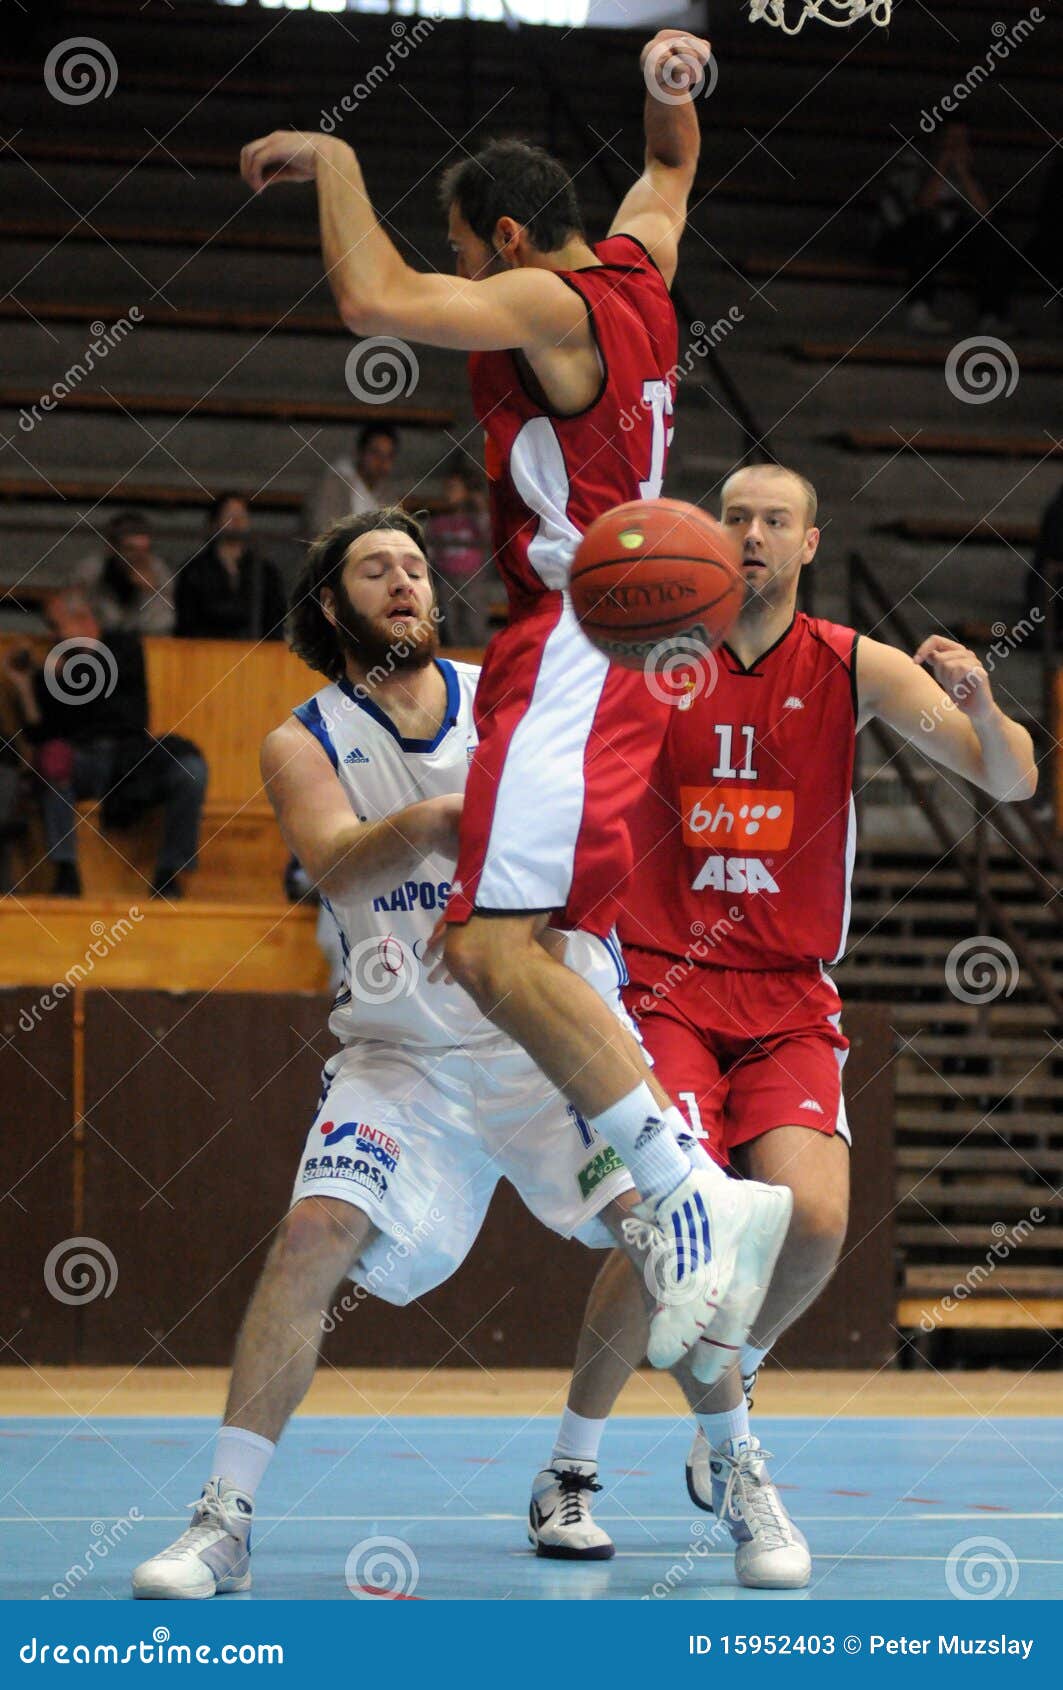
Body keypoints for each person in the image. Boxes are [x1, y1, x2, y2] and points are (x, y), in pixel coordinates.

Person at [240, 28, 792, 1379]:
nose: (463, 281)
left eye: (465, 254)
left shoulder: (551, 302)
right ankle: (680, 1186)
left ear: (502, 239)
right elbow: (671, 169)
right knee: (512, 948)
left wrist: (336, 157)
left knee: (491, 956)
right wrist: (669, 85)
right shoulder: (639, 264)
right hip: (628, 654)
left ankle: (687, 1190)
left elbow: (371, 297)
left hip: (573, 643)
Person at [527, 462, 1037, 1586]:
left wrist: (983, 708)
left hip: (788, 993)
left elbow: (1011, 781)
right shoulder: (655, 654)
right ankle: (577, 1464)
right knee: (671, 1230)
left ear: (809, 542)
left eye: (774, 519)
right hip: (662, 985)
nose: (751, 533)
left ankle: (735, 1364)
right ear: (711, 536)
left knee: (813, 1221)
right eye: (735, 517)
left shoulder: (851, 664)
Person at [130, 508, 650, 1600]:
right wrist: (443, 819)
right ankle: (223, 1520)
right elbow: (335, 863)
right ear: (332, 602)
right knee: (311, 1232)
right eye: (376, 569)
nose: (407, 582)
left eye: (416, 566)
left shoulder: (501, 697)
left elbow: (593, 828)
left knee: (663, 1234)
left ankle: (581, 1472)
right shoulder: (302, 738)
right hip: (403, 1054)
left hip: (540, 1034)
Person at [3, 591, 207, 899]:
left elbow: (100, 686)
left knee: (190, 769)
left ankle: (170, 874)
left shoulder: (122, 647)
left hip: (131, 759)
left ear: (83, 619)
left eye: (58, 625)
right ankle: (66, 873)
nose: (54, 634)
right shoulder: (53, 667)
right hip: (82, 760)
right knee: (53, 757)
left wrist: (52, 669)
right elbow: (39, 733)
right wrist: (23, 687)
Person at [873, 125, 1014, 334]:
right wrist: (941, 164)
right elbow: (921, 206)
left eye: (962, 140)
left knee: (991, 236)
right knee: (925, 226)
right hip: (900, 239)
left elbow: (986, 214)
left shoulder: (967, 171)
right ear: (937, 140)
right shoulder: (911, 163)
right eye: (951, 140)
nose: (957, 146)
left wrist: (963, 174)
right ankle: (918, 310)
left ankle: (990, 316)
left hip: (942, 247)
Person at [175, 494, 287, 641]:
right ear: (215, 523)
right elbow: (187, 623)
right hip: (206, 649)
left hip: (255, 650)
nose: (237, 522)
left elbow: (275, 621)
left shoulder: (266, 571)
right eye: (229, 516)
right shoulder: (194, 570)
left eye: (242, 516)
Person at [71, 510, 175, 635]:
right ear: (111, 548)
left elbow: (162, 626)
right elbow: (75, 614)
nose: (139, 557)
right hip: (100, 640)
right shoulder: (91, 570)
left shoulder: (158, 571)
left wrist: (150, 592)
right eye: (131, 549)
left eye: (145, 550)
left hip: (146, 640)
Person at [425, 464, 496, 646]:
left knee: (475, 624)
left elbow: (488, 535)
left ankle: (476, 654)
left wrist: (478, 504)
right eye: (446, 489)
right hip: (446, 579)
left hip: (472, 579)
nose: (448, 494)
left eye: (454, 489)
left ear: (466, 492)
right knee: (450, 624)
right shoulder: (438, 521)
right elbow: (430, 548)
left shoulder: (474, 519)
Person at [305, 422, 400, 538]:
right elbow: (322, 534)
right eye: (375, 453)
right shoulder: (333, 484)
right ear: (360, 453)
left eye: (388, 456)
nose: (381, 462)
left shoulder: (387, 492)